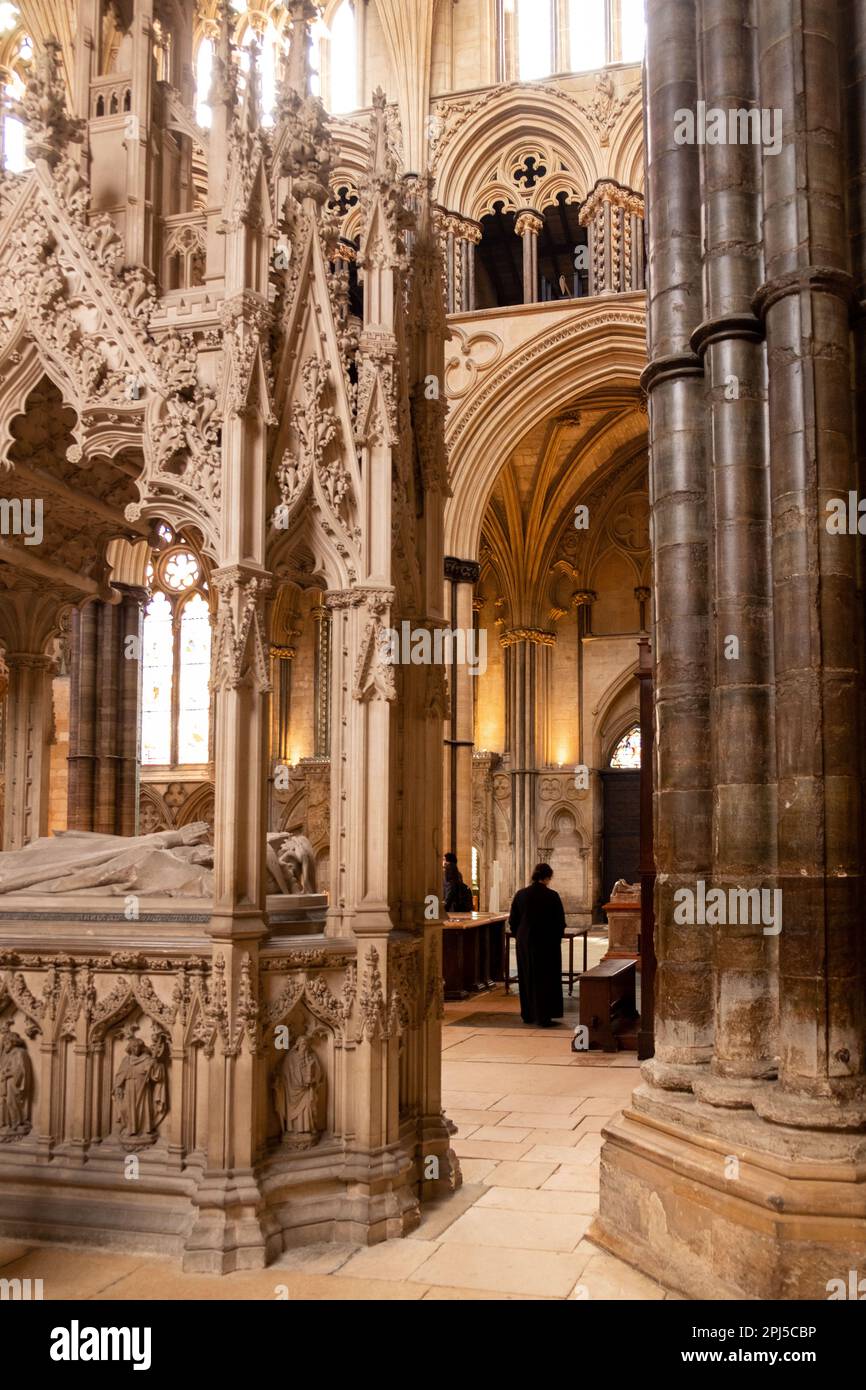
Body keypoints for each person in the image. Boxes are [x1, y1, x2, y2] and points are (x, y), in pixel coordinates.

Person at [508, 863, 566, 1027]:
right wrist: (556, 938)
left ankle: (528, 1014)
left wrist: (520, 937)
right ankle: (544, 1016)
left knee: (527, 976)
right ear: (548, 877)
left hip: (525, 941)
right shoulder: (552, 896)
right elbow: (560, 922)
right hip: (547, 941)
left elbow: (513, 921)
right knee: (546, 978)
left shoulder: (521, 894)